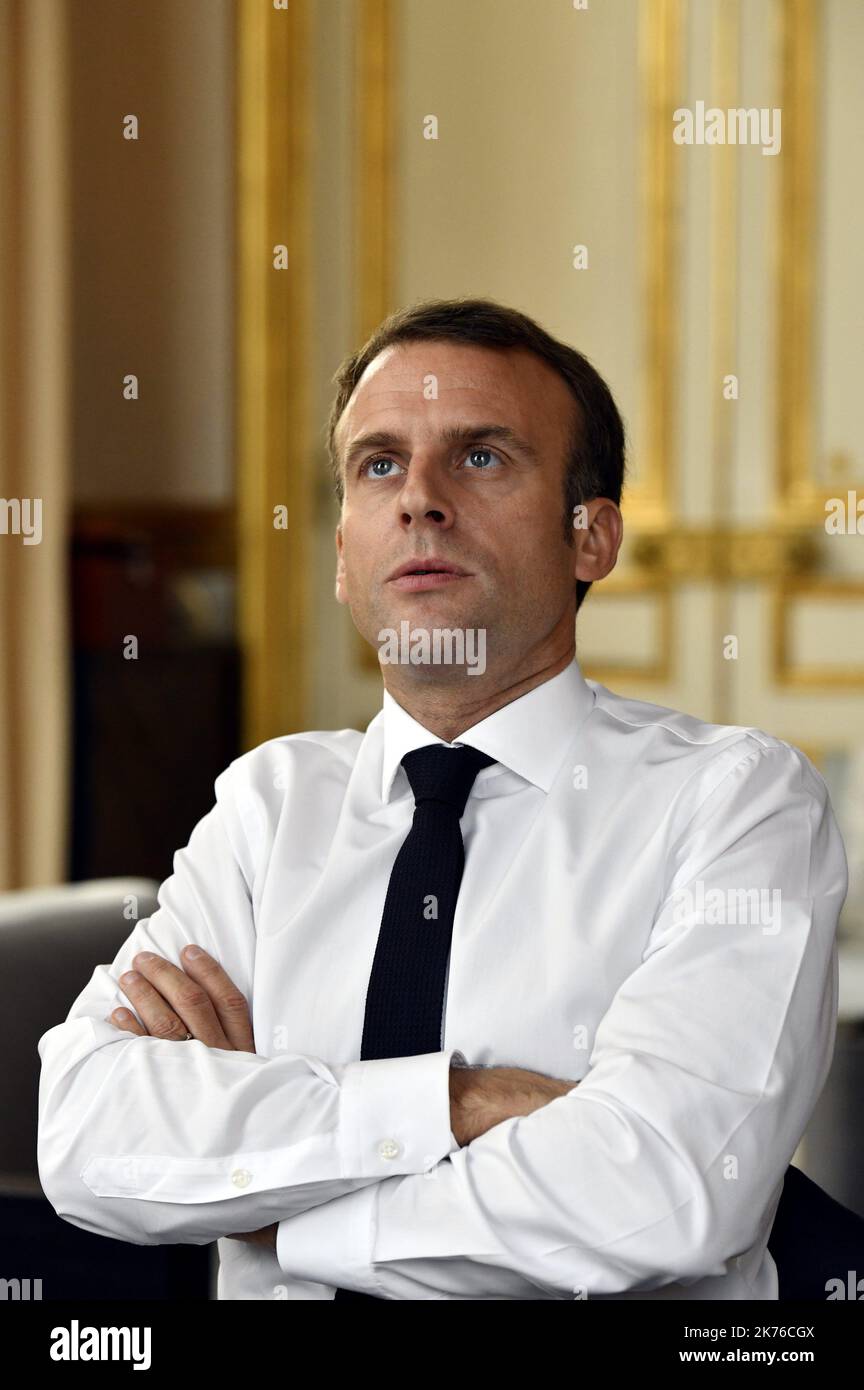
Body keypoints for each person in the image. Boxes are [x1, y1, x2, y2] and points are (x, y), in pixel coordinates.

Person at [38, 297, 848, 1300]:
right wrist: (458, 1103)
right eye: (379, 464)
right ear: (343, 554)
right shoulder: (269, 803)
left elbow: (666, 1190)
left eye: (480, 457)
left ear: (590, 536)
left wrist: (272, 1213)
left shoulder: (736, 800)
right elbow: (87, 1133)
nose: (418, 498)